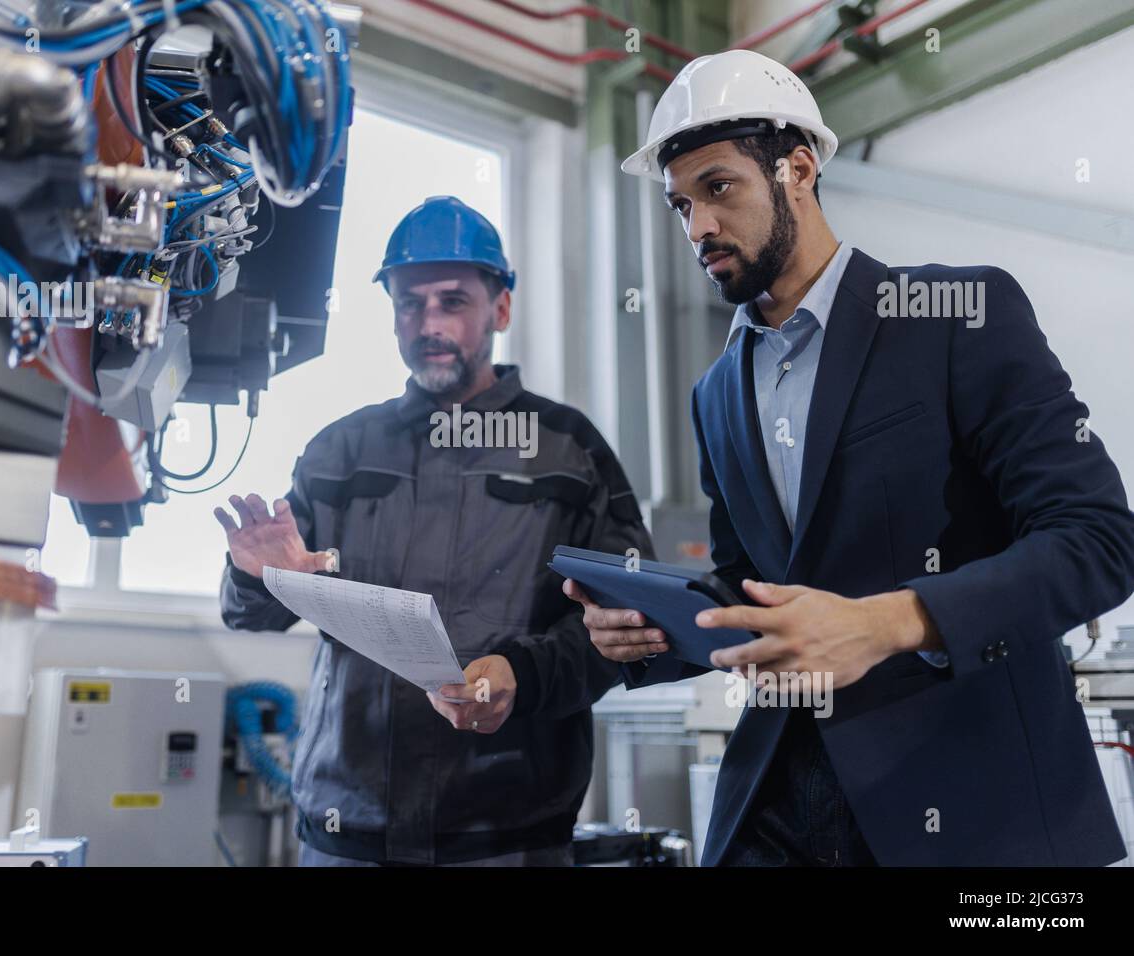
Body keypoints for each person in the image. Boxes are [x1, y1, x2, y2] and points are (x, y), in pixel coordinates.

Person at [568, 49, 1134, 866]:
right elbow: (749, 582)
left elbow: (1097, 540)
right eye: (679, 203)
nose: (697, 227)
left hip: (967, 797)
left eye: (718, 188)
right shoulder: (716, 393)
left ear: (797, 168)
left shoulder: (955, 317)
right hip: (784, 800)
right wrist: (651, 632)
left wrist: (884, 623)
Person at [217, 196, 655, 866]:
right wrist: (257, 577)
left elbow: (633, 626)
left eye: (453, 301)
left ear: (500, 309)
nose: (429, 323)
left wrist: (524, 674)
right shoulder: (340, 450)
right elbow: (255, 616)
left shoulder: (568, 450)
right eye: (408, 304)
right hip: (346, 833)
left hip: (508, 837)